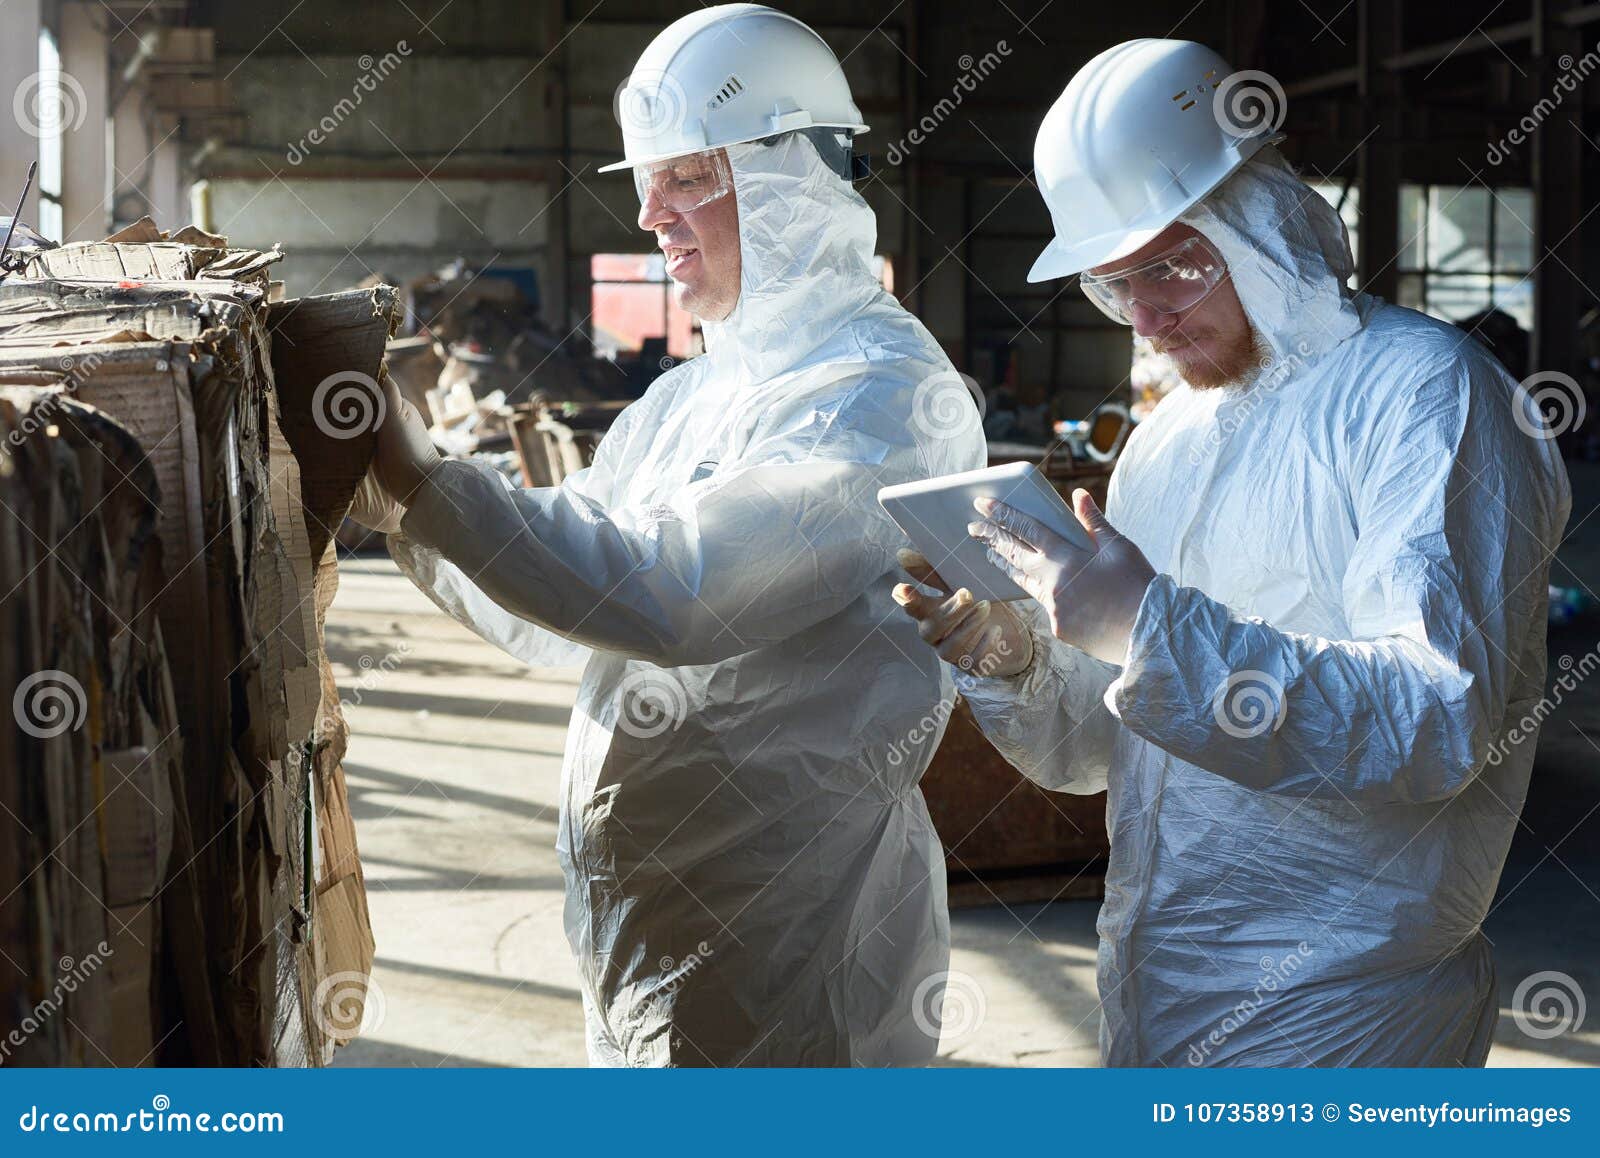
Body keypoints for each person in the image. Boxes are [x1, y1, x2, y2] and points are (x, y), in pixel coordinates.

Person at [894, 38, 1572, 1066]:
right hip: (1152, 976)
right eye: (1117, 285)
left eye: (1172, 263)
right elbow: (1095, 752)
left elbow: (1441, 715)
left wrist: (1148, 624)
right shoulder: (1169, 439)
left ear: (1258, 215)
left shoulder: (1425, 396)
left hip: (1347, 1012)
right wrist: (1017, 656)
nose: (1149, 314)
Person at [355, 3, 984, 1066]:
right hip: (649, 939)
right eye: (646, 181)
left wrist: (429, 483)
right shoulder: (685, 401)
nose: (650, 216)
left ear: (791, 182)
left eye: (688, 175)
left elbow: (667, 594)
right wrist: (405, 516)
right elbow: (569, 625)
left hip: (788, 944)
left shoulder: (876, 395)